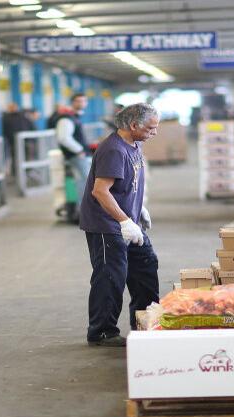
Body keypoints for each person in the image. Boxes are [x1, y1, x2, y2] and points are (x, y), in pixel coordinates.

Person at [79, 103, 160, 347]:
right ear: (133, 125)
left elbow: (127, 183)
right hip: (107, 225)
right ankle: (102, 331)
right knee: (110, 276)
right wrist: (124, 221)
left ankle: (145, 322)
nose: (154, 132)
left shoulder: (135, 144)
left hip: (129, 221)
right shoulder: (114, 150)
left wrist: (138, 207)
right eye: (151, 128)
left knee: (145, 266)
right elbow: (101, 191)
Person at [51, 93, 91, 196]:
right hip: (75, 155)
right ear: (73, 102)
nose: (81, 103)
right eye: (78, 101)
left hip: (77, 154)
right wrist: (79, 150)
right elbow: (63, 138)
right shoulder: (66, 118)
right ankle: (81, 209)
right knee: (84, 181)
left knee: (82, 180)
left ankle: (81, 207)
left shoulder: (75, 117)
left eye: (84, 101)